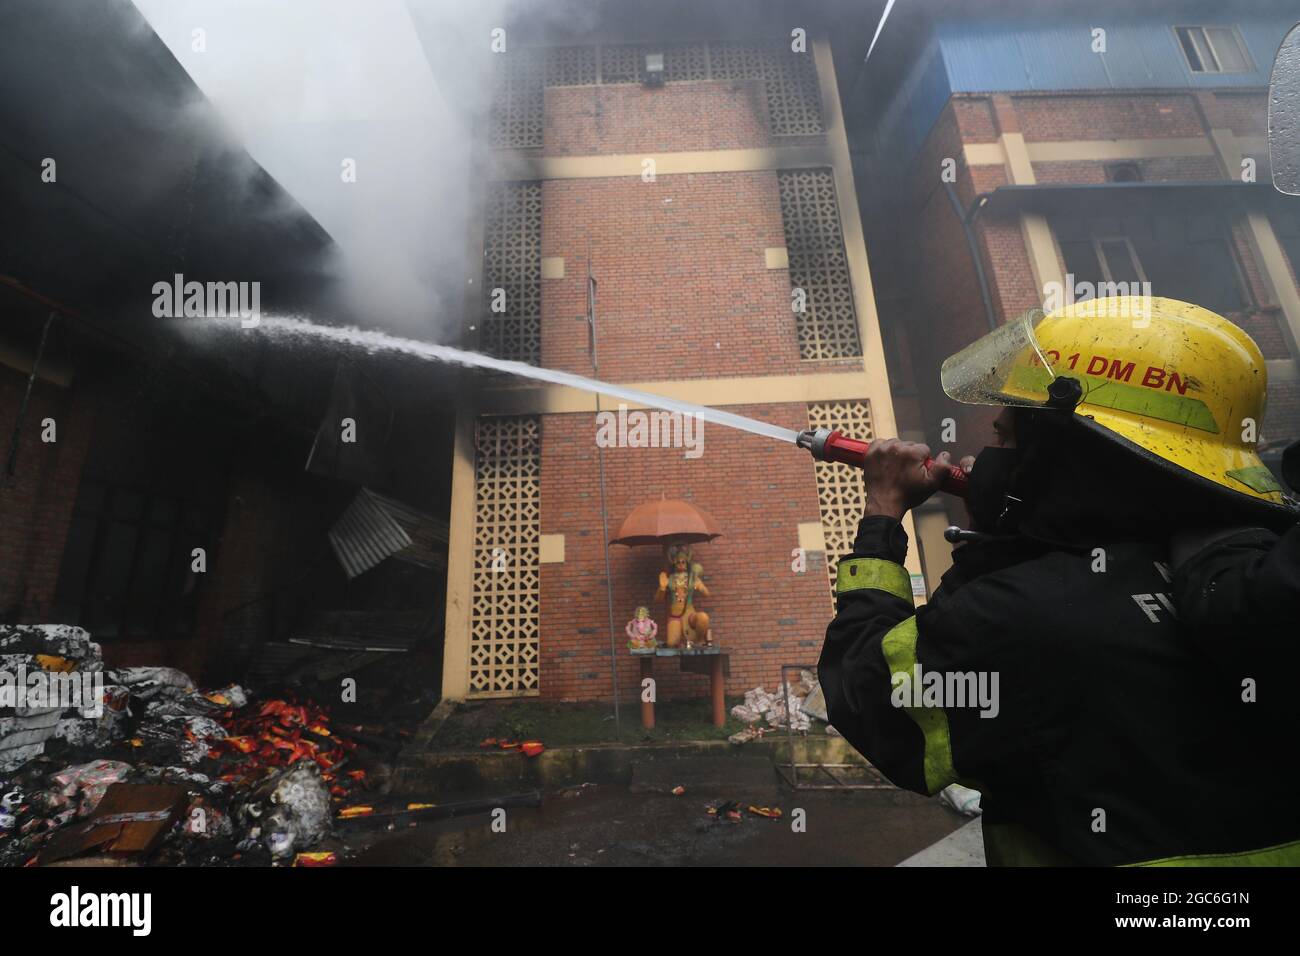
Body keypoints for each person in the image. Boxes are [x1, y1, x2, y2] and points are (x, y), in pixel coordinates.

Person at [819, 297, 1300, 866]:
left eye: (1002, 438)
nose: (983, 458)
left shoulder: (1021, 618)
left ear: (1060, 451)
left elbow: (869, 696)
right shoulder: (1251, 573)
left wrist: (881, 517)